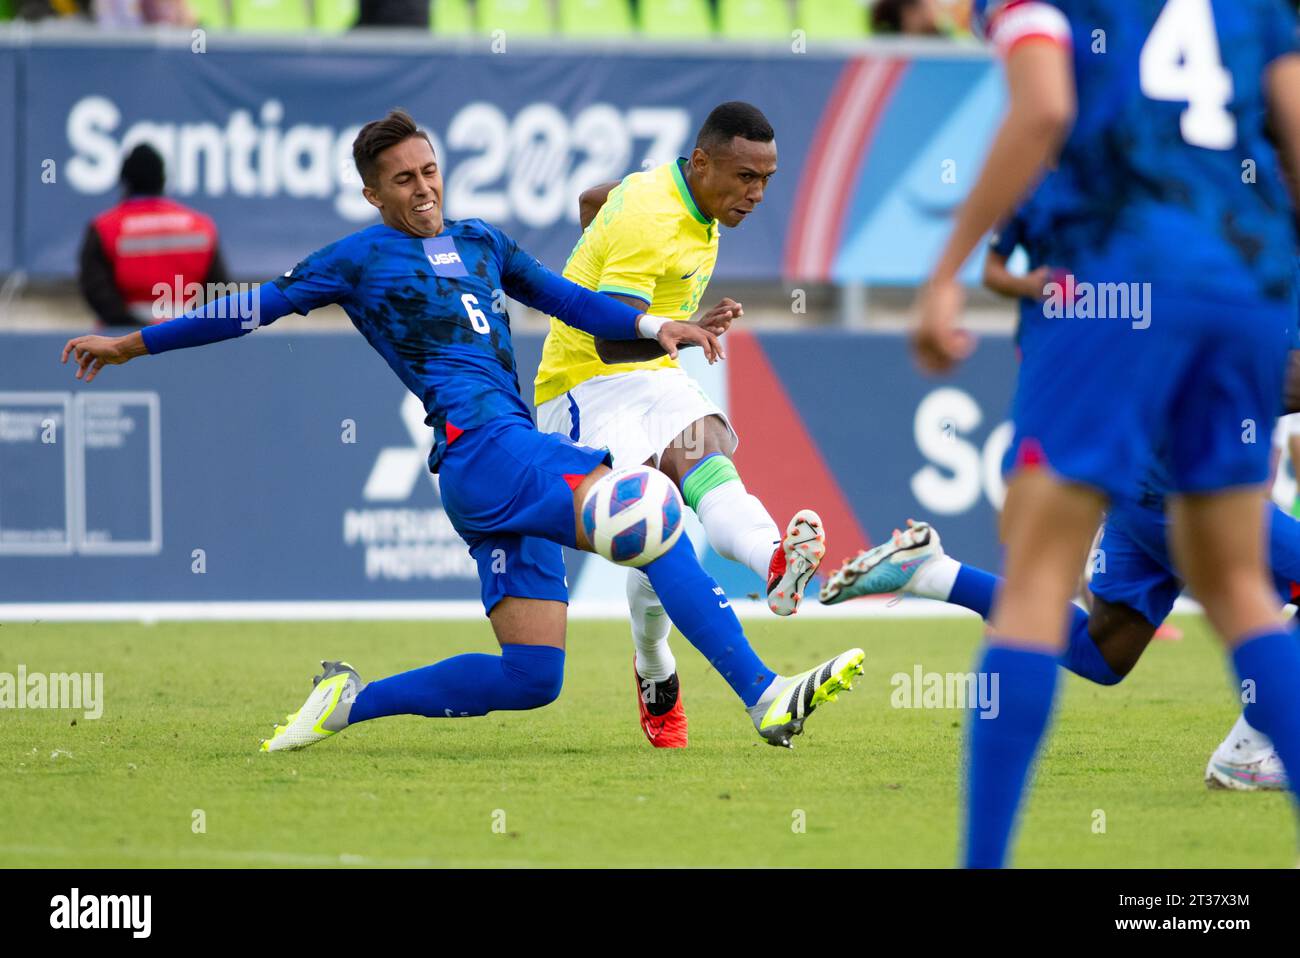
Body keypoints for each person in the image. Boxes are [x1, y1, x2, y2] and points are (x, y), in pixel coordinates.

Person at [61, 109, 864, 753]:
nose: (423, 189)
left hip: (498, 459)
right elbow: (248, 310)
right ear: (375, 195)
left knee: (531, 676)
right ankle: (765, 696)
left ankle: (350, 702)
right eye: (403, 180)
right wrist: (133, 343)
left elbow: (570, 300)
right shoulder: (357, 258)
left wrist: (659, 325)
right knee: (649, 514)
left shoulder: (481, 241)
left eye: (430, 170)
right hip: (484, 449)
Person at [913, 0, 1300, 867]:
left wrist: (944, 273)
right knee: (1241, 590)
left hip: (1113, 281)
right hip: (1239, 281)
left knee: (1036, 587)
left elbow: (1043, 107)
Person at [534, 102, 826, 749]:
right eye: (745, 176)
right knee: (655, 528)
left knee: (711, 462)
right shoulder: (649, 219)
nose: (756, 194)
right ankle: (655, 666)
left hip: (653, 375)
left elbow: (591, 200)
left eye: (767, 180)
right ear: (702, 161)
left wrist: (667, 322)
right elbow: (611, 344)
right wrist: (684, 334)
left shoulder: (683, 197)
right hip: (585, 386)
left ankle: (773, 563)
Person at [78, 144, 230, 329]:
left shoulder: (104, 228)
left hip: (124, 343)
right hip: (187, 339)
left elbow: (96, 291)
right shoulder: (200, 226)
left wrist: (139, 331)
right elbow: (219, 292)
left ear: (125, 180)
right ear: (163, 179)